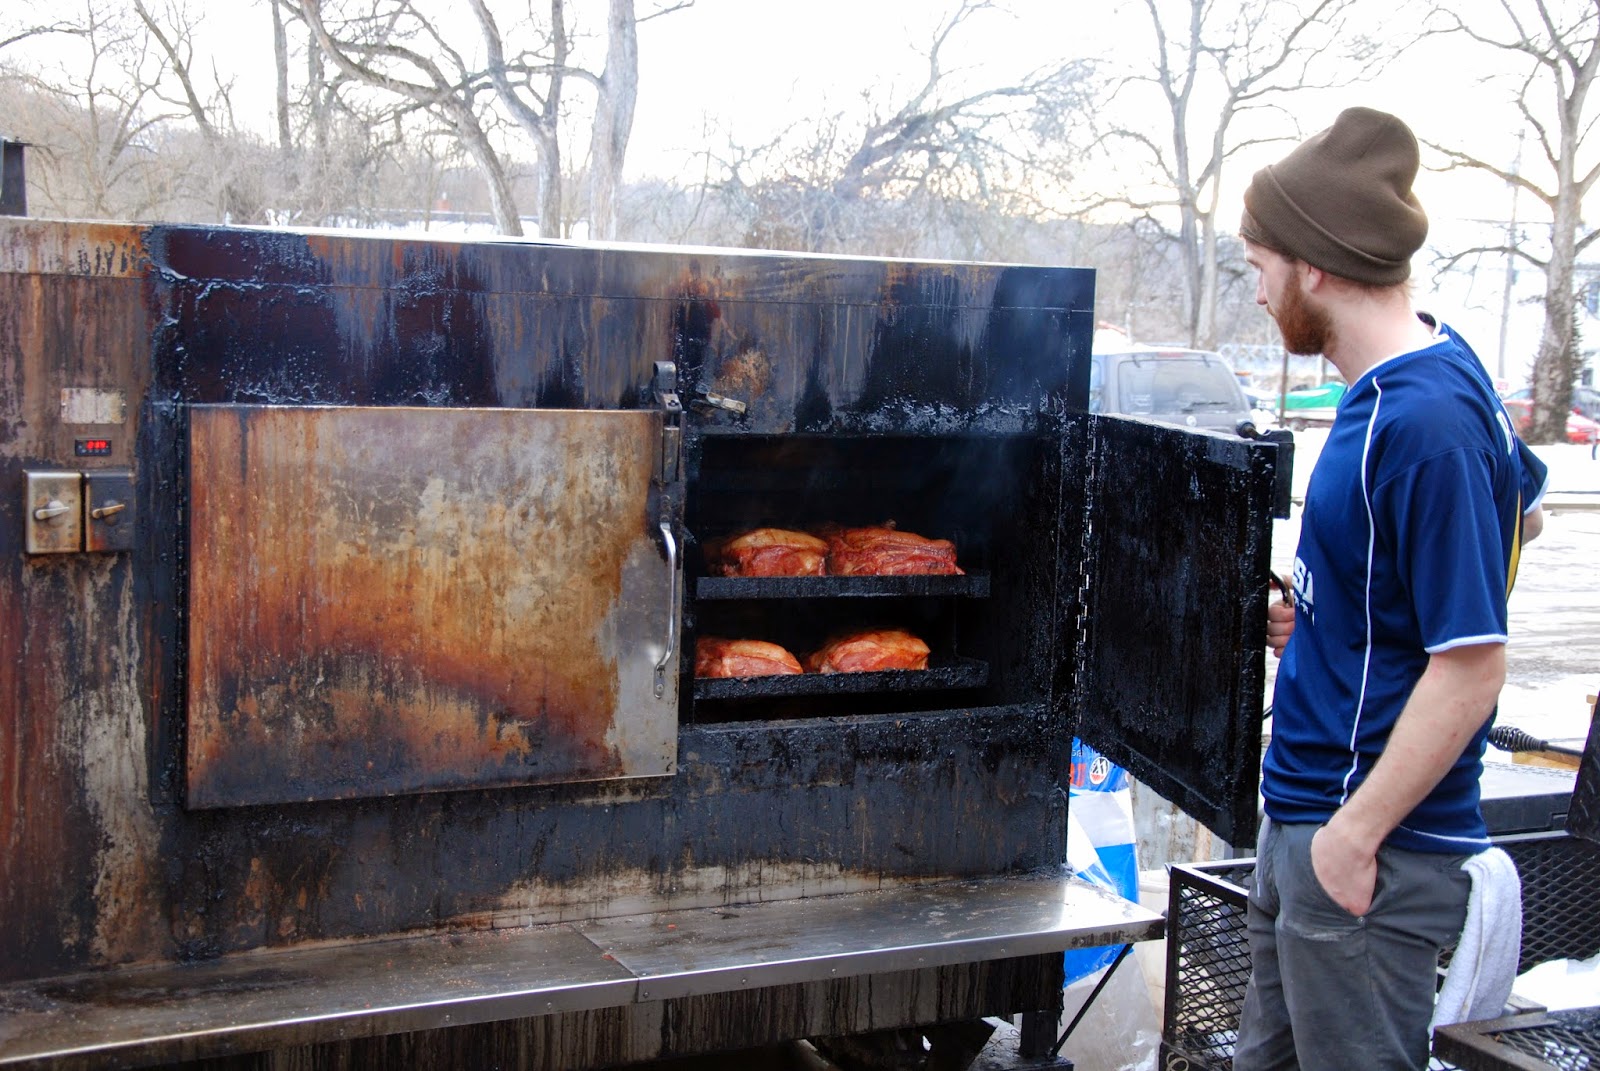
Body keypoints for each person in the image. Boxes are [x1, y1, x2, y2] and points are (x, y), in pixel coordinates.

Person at [1234, 107, 1550, 1071]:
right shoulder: (1420, 376)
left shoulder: (1425, 423)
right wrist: (1334, 619)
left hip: (1363, 843)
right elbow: (1524, 512)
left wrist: (1352, 837)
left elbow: (1474, 666)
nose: (1257, 291)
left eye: (1260, 266)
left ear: (1313, 267)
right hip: (1310, 818)